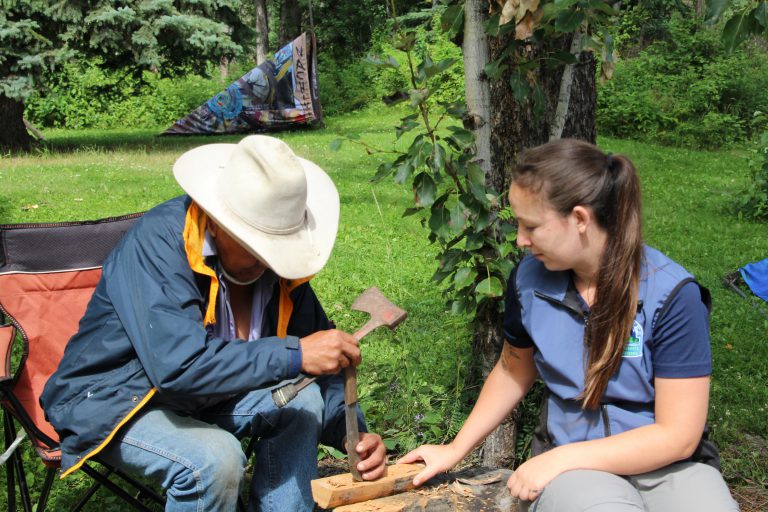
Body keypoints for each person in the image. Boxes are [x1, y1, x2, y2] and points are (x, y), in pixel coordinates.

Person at [40, 135, 387, 511]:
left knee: (302, 401)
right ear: (218, 221)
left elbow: (322, 362)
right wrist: (295, 353)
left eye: (278, 247)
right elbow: (179, 367)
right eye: (257, 247)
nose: (268, 261)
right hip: (120, 399)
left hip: (206, 397)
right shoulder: (158, 245)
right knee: (214, 459)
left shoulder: (278, 269)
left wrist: (352, 432)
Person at [400, 138, 739, 511]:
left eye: (531, 226)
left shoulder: (672, 295)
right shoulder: (528, 281)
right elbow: (514, 368)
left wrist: (555, 461)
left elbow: (678, 437)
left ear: (579, 219)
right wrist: (455, 448)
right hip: (576, 471)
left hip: (673, 469)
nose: (520, 240)